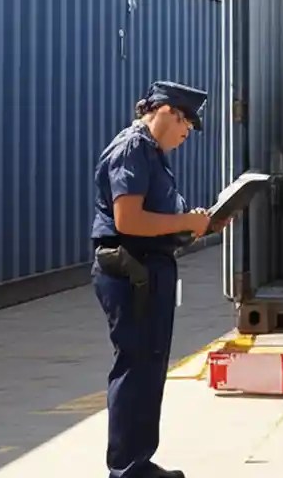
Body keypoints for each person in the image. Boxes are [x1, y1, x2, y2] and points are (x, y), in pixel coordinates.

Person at [90, 80, 227, 478]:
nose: (187, 133)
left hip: (151, 266)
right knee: (135, 366)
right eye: (186, 122)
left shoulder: (154, 154)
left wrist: (201, 224)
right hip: (132, 269)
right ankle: (127, 470)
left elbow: (161, 219)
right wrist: (186, 221)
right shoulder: (133, 148)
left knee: (149, 367)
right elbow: (128, 219)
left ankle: (138, 463)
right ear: (166, 110)